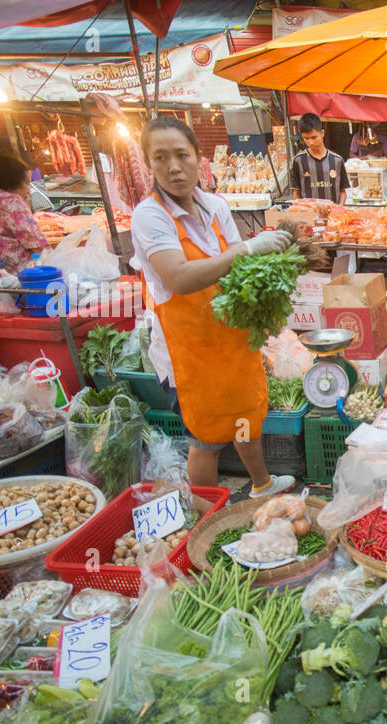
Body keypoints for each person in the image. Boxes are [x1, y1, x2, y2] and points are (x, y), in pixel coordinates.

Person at [130, 116, 297, 496]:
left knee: (243, 417)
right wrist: (246, 249)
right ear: (148, 164)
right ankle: (208, 515)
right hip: (188, 351)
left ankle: (261, 484)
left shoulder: (214, 206)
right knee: (205, 436)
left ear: (198, 157)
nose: (174, 167)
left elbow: (237, 273)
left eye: (182, 155)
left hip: (228, 337)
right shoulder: (150, 216)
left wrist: (264, 299)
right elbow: (180, 277)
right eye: (160, 158)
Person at [291, 114, 346, 202]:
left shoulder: (337, 160)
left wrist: (339, 208)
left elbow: (342, 191)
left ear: (322, 133)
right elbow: (296, 193)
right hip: (309, 214)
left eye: (314, 137)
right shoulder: (298, 160)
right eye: (306, 138)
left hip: (333, 214)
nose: (310, 142)